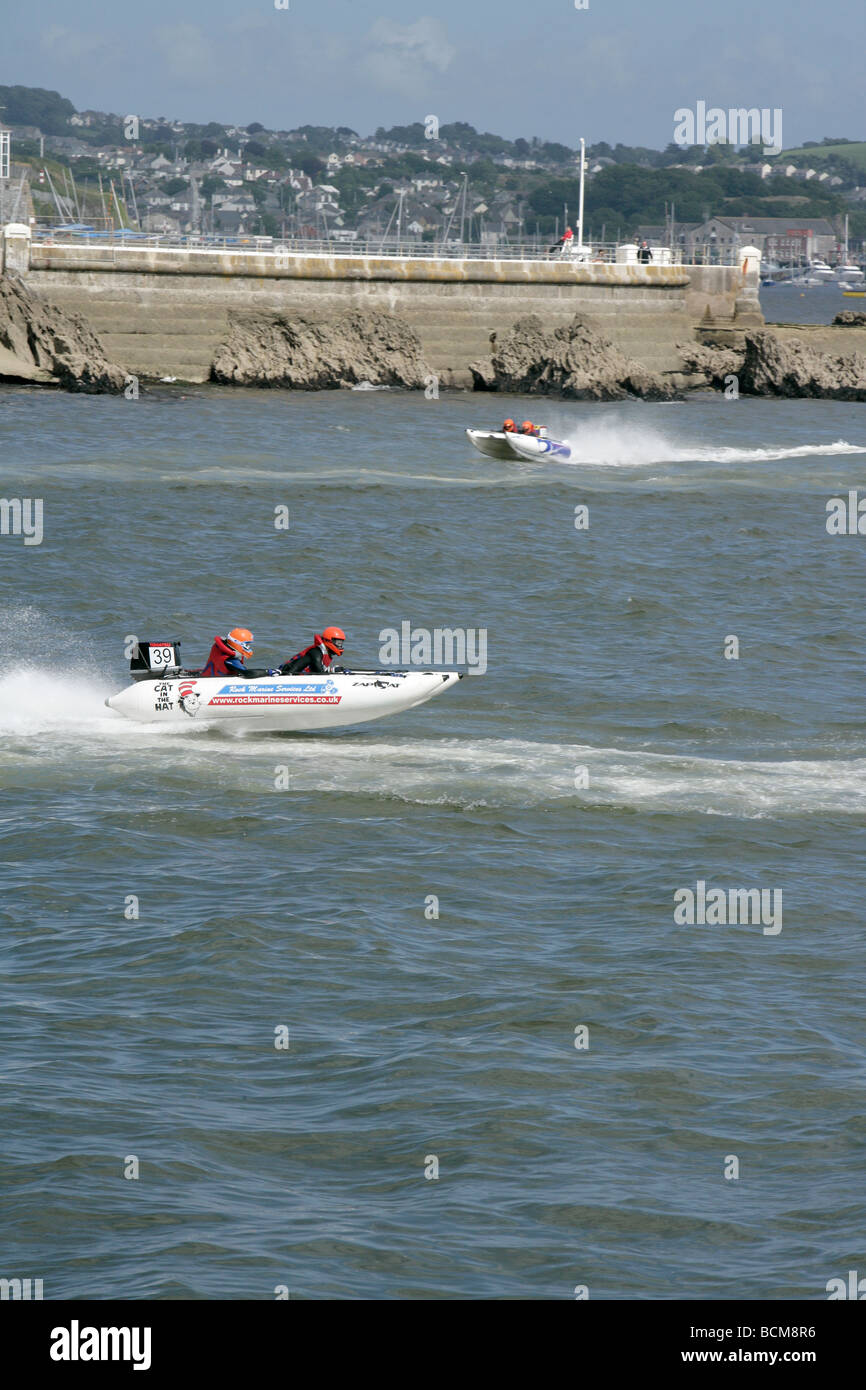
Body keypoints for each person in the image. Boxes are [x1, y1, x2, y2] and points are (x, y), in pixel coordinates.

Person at [279, 626, 346, 675]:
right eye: (338, 643)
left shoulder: (324, 653)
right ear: (328, 640)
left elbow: (315, 670)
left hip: (298, 676)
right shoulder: (316, 652)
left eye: (341, 643)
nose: (340, 646)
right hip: (286, 674)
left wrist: (332, 670)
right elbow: (320, 673)